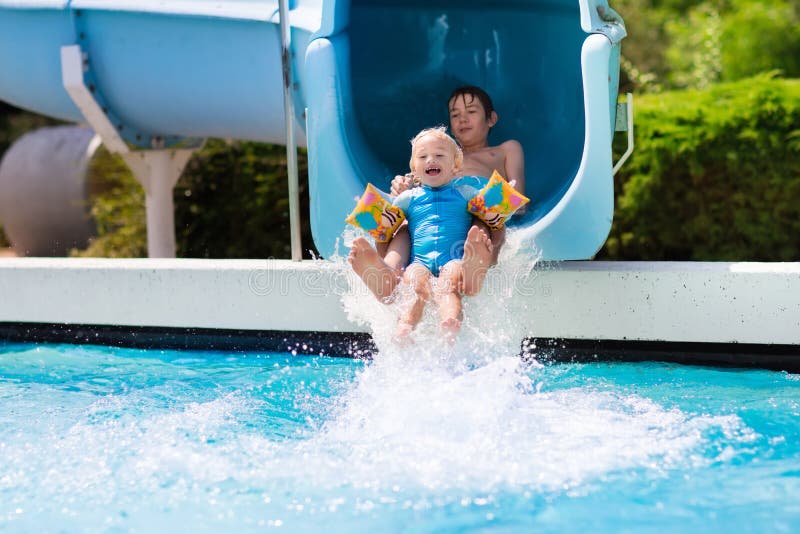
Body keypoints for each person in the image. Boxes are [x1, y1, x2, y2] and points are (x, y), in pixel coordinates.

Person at [349, 85, 526, 301]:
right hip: (437, 205)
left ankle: (477, 266)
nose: (462, 119)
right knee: (404, 226)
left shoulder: (505, 149)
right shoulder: (440, 156)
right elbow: (417, 185)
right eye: (455, 114)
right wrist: (402, 188)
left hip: (477, 204)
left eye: (471, 112)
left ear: (491, 118)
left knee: (483, 225)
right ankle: (388, 272)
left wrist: (502, 204)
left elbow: (519, 202)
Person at [375, 126, 491, 342]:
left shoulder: (466, 193)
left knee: (449, 286)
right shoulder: (407, 198)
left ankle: (450, 321)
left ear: (455, 166)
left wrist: (504, 203)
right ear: (414, 167)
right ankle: (405, 325)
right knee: (415, 286)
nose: (431, 160)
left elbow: (492, 214)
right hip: (419, 261)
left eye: (439, 155)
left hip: (454, 258)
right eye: (423, 156)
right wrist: (372, 213)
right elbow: (387, 227)